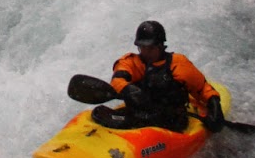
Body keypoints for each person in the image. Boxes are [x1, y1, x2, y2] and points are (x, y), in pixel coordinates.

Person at [91, 20, 225, 133]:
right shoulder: (131, 62)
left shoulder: (178, 64)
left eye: (150, 48)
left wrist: (214, 105)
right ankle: (129, 121)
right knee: (101, 112)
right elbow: (117, 80)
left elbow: (202, 88)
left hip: (170, 120)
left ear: (160, 46)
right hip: (140, 113)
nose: (146, 52)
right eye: (142, 47)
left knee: (155, 116)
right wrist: (127, 90)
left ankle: (129, 122)